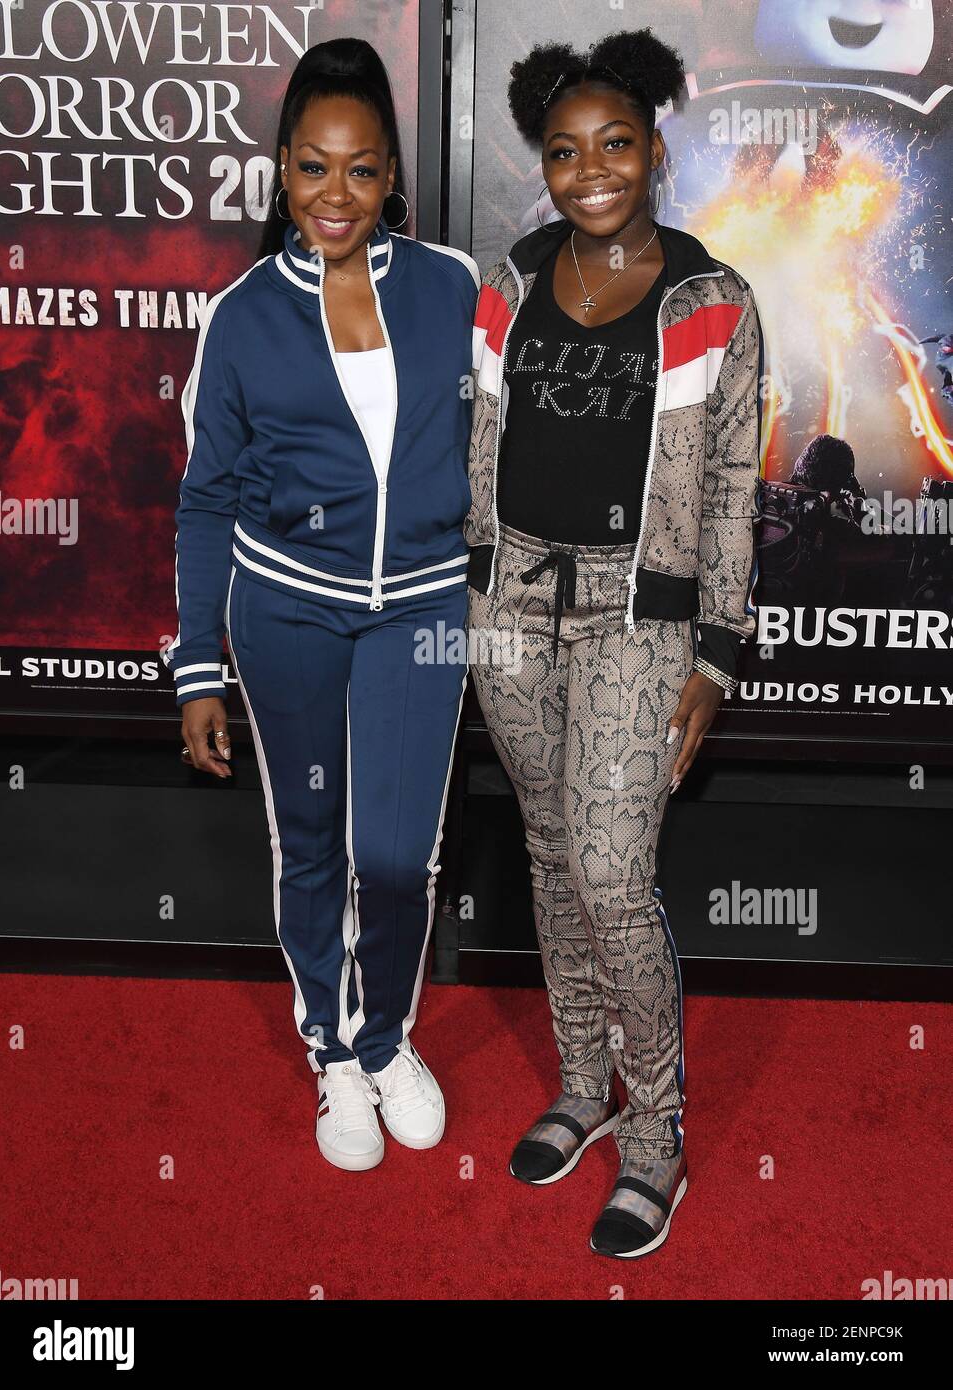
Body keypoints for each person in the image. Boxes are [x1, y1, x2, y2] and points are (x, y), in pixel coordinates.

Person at [465, 28, 762, 1256]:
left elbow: (738, 483)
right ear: (544, 161)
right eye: (565, 150)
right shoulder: (507, 282)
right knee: (544, 849)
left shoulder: (713, 299)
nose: (591, 170)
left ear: (653, 148)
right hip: (510, 606)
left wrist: (718, 651)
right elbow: (477, 441)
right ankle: (583, 1086)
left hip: (641, 614)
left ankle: (658, 1138)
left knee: (604, 869)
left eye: (616, 144)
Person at [162, 38, 480, 1172]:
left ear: (392, 173)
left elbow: (499, 452)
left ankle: (389, 1036)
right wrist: (197, 665)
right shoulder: (242, 318)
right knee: (309, 841)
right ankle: (333, 1052)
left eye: (358, 170)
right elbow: (204, 502)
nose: (333, 196)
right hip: (286, 612)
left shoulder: (452, 286)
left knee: (398, 855)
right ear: (281, 174)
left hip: (424, 608)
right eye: (310, 169)